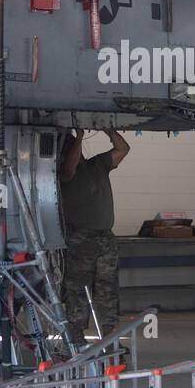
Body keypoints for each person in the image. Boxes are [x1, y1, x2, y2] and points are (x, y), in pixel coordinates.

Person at [58, 128, 129, 345]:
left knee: (107, 290)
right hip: (80, 238)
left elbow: (123, 149)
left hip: (105, 238)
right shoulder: (62, 173)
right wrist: (78, 137)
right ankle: (76, 341)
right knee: (78, 290)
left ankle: (109, 338)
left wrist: (107, 128)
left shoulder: (97, 165)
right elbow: (69, 168)